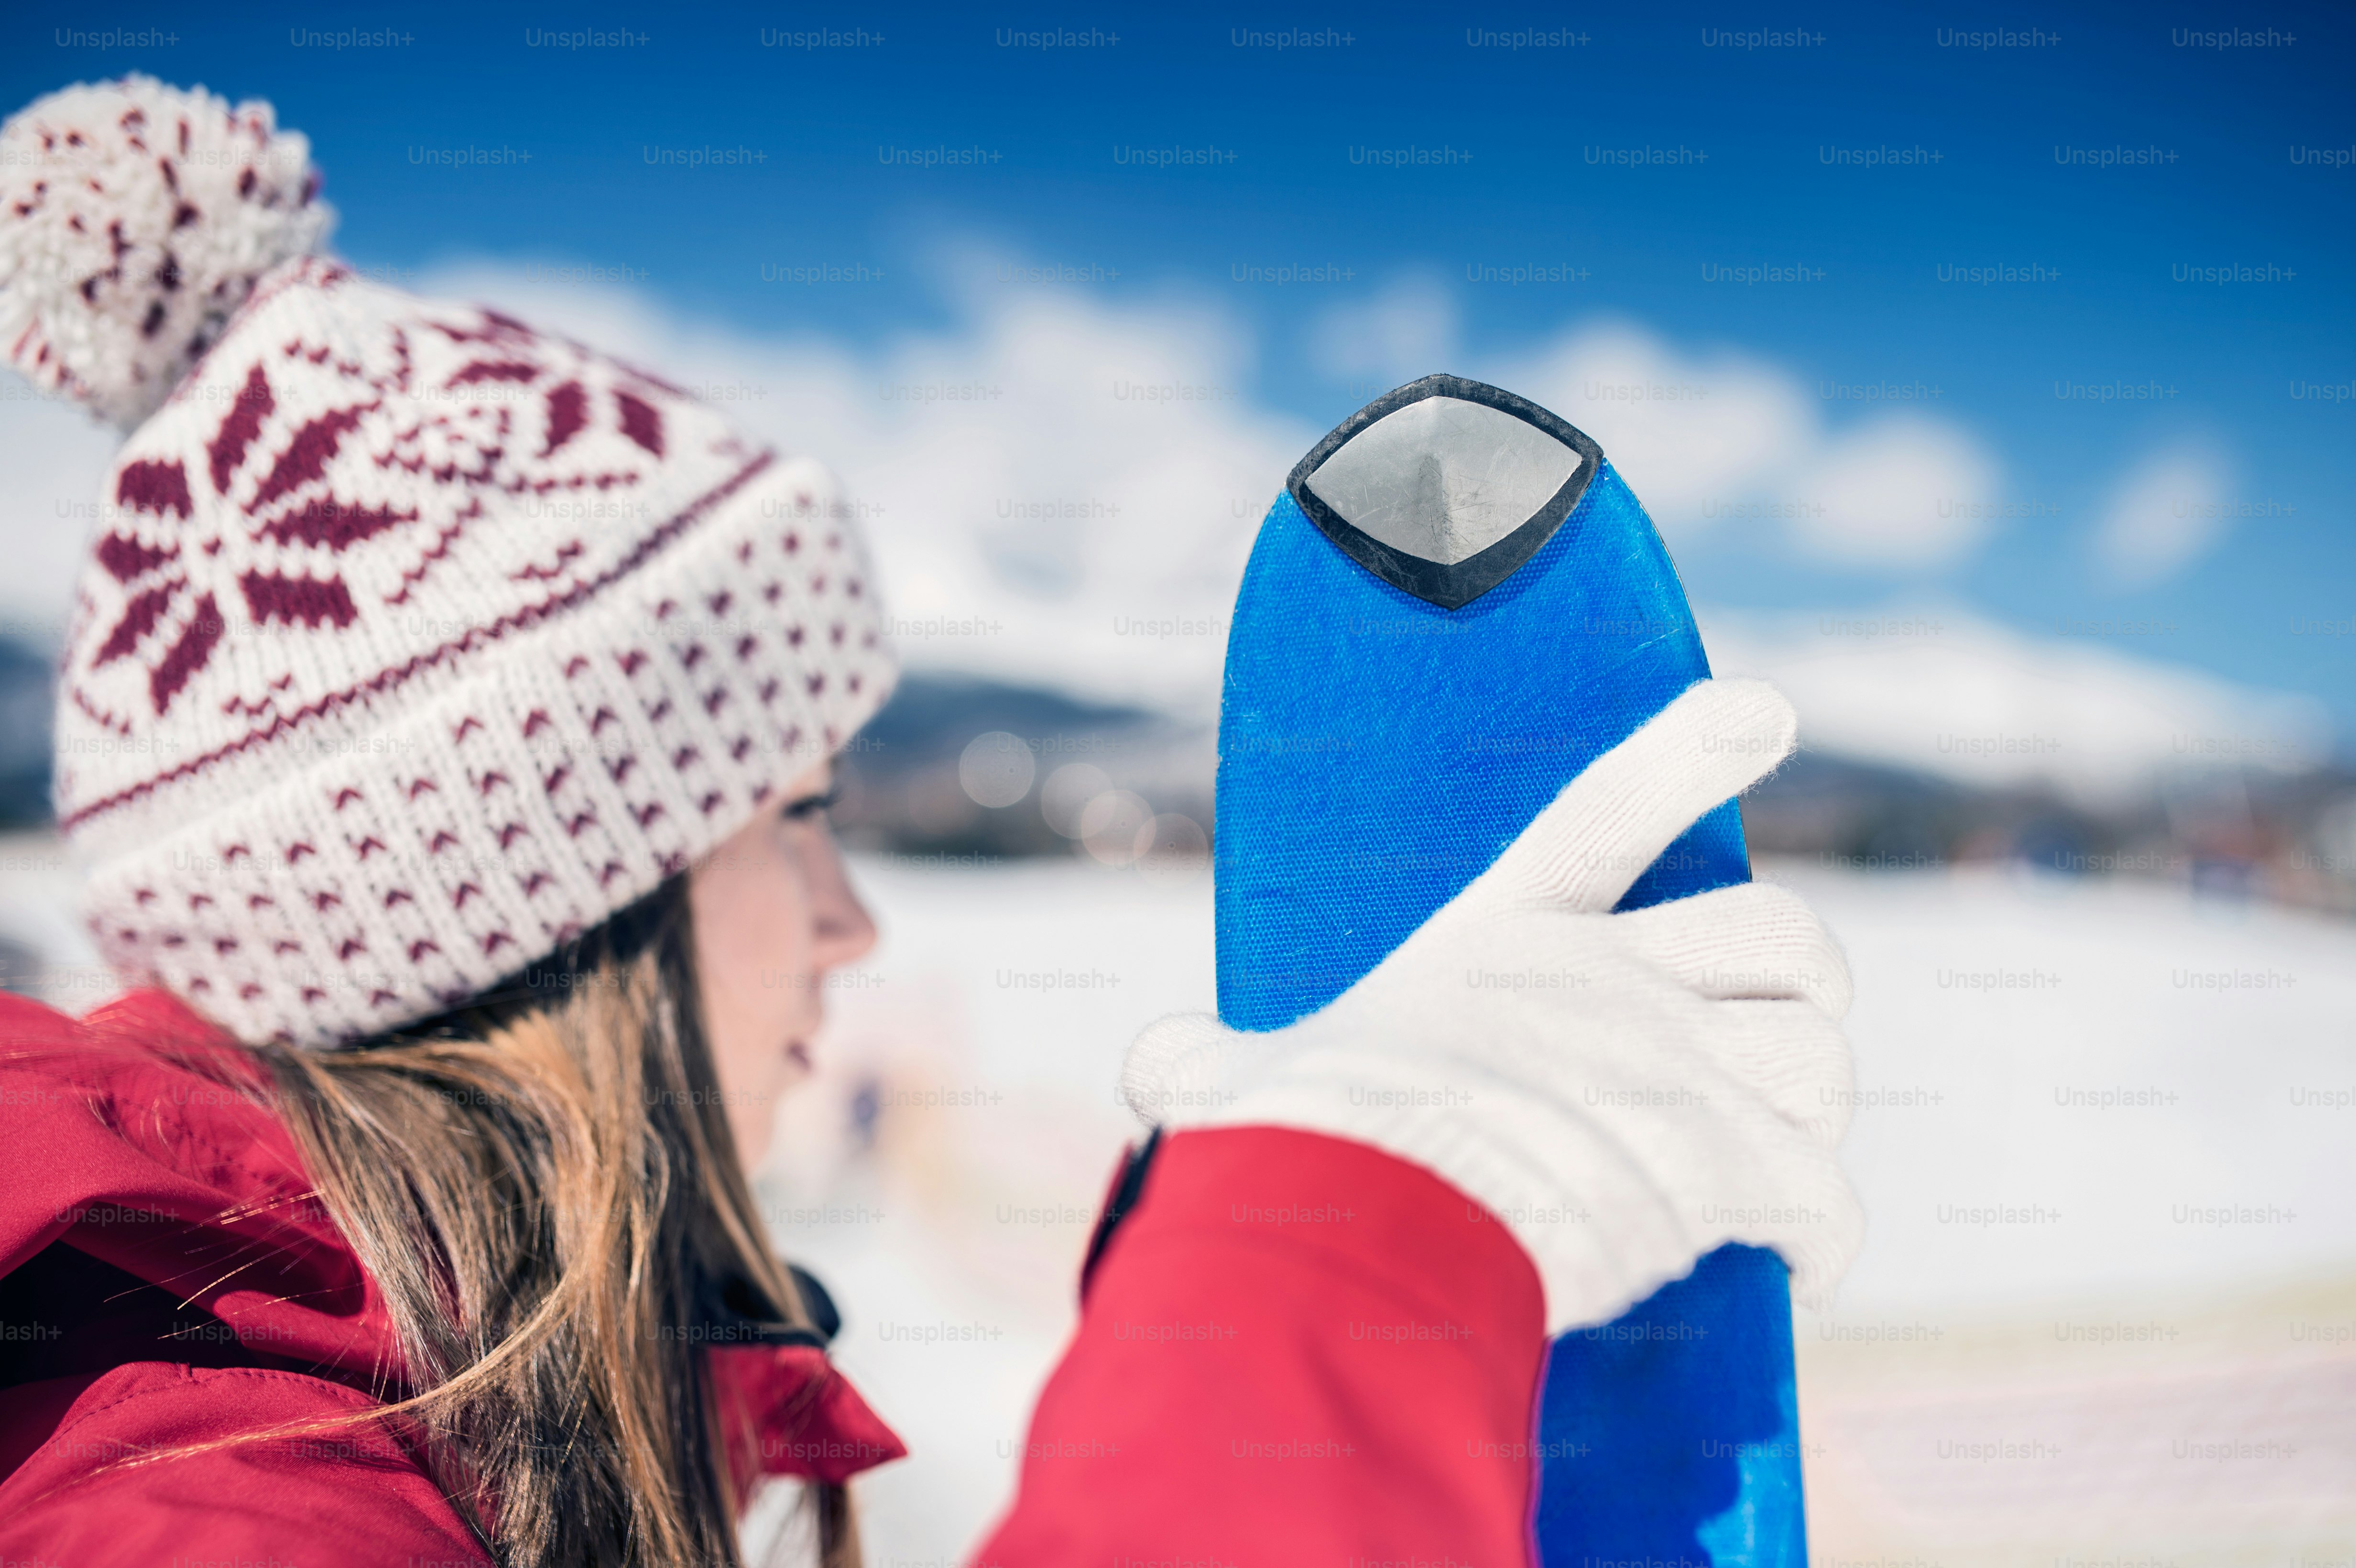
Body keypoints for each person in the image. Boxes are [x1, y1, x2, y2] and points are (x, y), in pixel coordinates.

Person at [0, 77, 1861, 1567]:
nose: (850, 925)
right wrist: (1334, 1260)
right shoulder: (200, 1489)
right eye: (793, 819)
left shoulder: (310, 1381)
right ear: (534, 912)